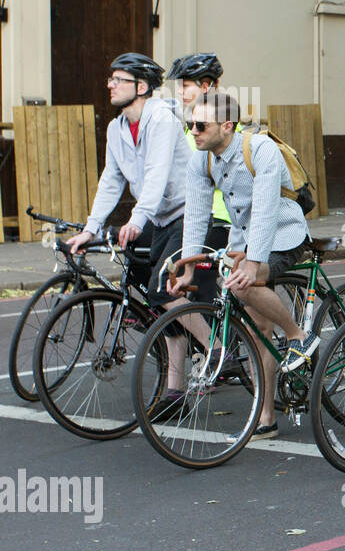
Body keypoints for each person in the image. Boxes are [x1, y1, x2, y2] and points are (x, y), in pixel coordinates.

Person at [167, 91, 313, 441]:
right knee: (258, 330)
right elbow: (197, 214)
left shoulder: (259, 148)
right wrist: (188, 266)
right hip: (244, 242)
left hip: (283, 234)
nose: (194, 131)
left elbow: (264, 210)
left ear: (227, 126)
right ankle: (266, 417)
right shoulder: (201, 159)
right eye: (190, 125)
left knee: (244, 283)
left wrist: (253, 262)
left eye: (201, 125)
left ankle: (298, 336)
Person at [66, 53, 193, 319]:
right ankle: (175, 360)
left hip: (187, 214)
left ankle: (217, 351)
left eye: (119, 80)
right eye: (110, 79)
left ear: (142, 87)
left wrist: (136, 220)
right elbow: (111, 181)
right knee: (149, 293)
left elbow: (156, 173)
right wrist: (91, 229)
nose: (110, 85)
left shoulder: (161, 120)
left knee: (161, 291)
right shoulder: (116, 128)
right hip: (158, 218)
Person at [168, 53, 233, 256]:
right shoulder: (193, 126)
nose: (179, 91)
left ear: (205, 86)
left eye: (185, 86)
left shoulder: (222, 127)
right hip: (196, 214)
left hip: (221, 219)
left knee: (196, 278)